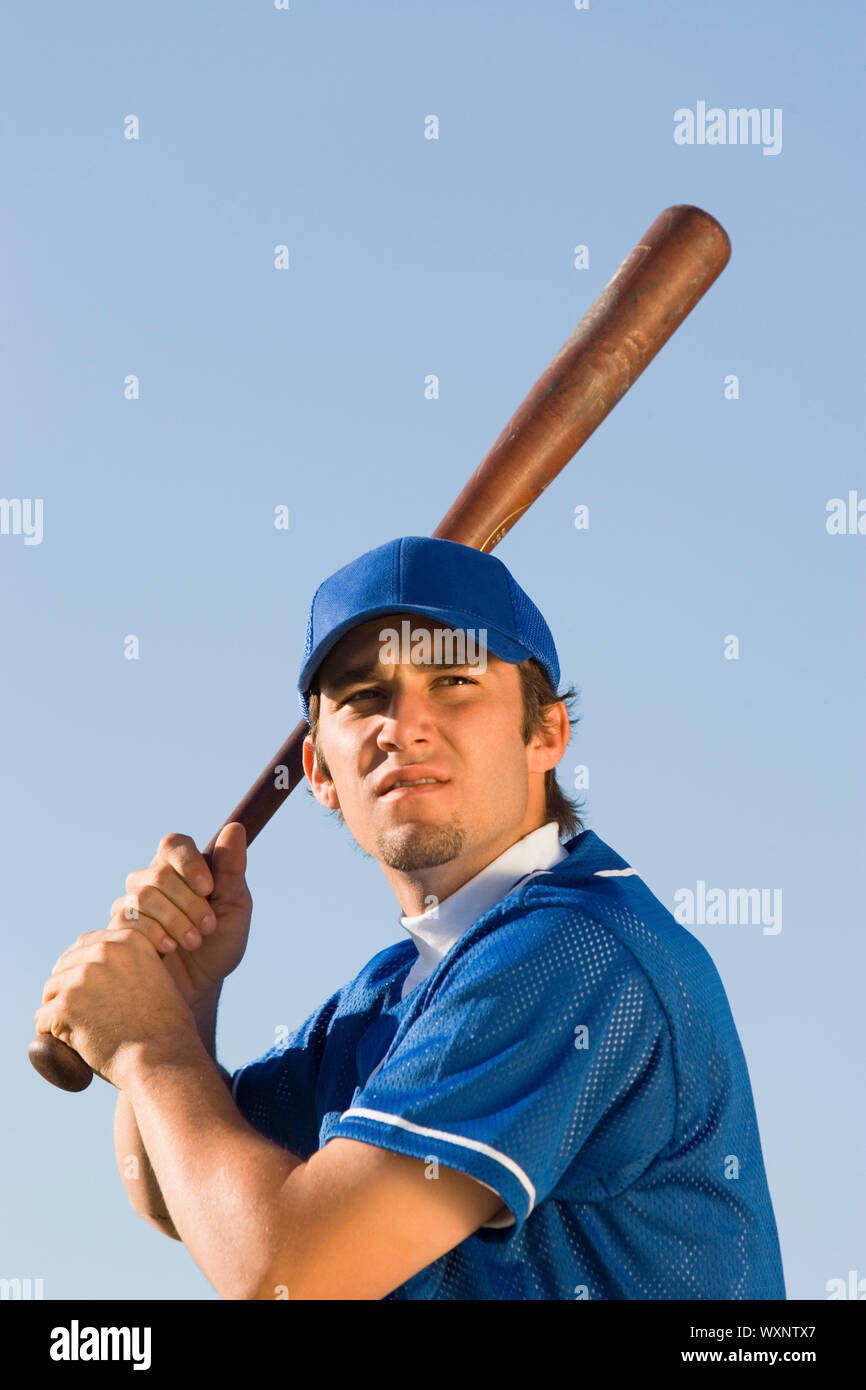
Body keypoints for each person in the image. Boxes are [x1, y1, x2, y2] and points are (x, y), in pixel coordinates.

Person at [36, 535, 787, 1300]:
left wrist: (154, 1048)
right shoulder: (391, 990)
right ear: (320, 773)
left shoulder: (576, 951)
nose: (405, 724)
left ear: (547, 734)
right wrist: (184, 997)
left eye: (455, 681)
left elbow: (287, 1272)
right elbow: (182, 1196)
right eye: (364, 697)